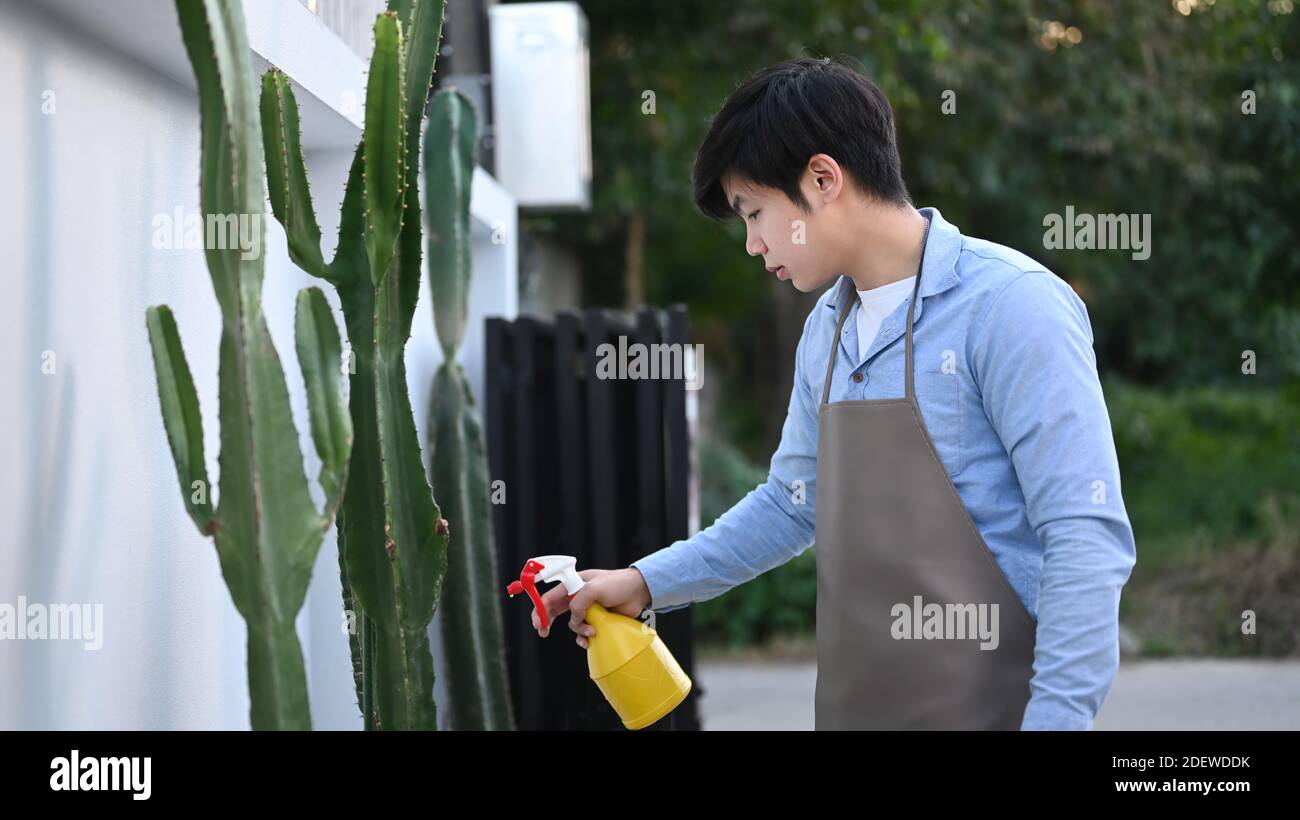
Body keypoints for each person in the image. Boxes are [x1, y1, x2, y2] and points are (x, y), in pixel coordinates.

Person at [529, 56, 1136, 731]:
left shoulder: (1012, 307)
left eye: (754, 213)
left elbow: (1084, 535)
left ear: (822, 179)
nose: (754, 245)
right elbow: (792, 507)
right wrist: (644, 582)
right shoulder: (828, 329)